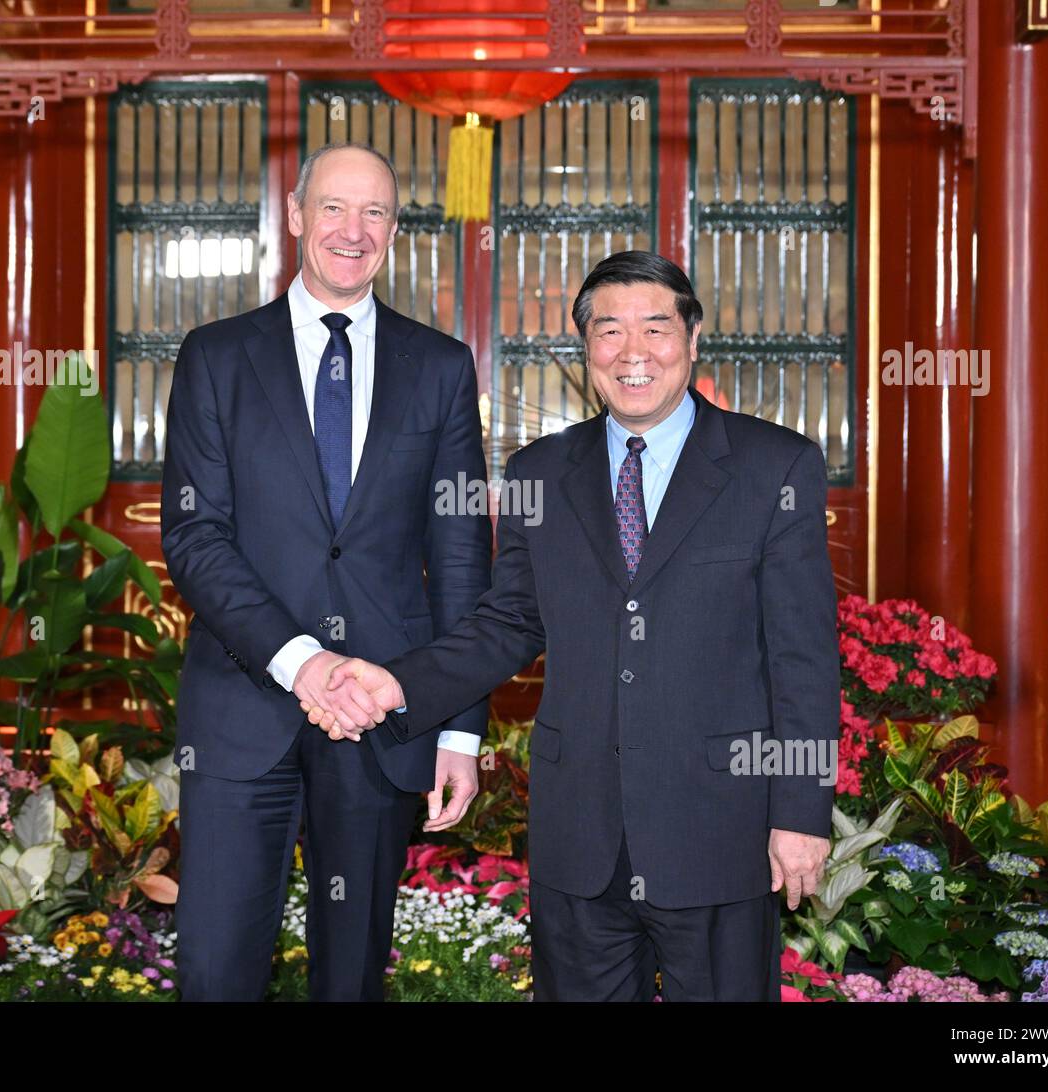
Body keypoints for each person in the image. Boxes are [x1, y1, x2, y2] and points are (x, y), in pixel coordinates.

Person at [305, 251, 840, 1001]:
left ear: (691, 339)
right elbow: (508, 621)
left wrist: (801, 815)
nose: (633, 353)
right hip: (579, 833)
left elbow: (804, 658)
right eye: (608, 331)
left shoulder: (773, 466)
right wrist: (396, 681)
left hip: (719, 828)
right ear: (586, 351)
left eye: (655, 329)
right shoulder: (539, 473)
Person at [160, 143, 491, 1001]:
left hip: (383, 710)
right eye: (335, 209)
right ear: (298, 215)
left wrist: (458, 728)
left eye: (375, 212)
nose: (354, 230)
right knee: (215, 965)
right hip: (243, 702)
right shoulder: (217, 356)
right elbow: (197, 539)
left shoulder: (442, 367)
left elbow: (460, 553)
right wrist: (304, 660)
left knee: (352, 974)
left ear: (394, 231)